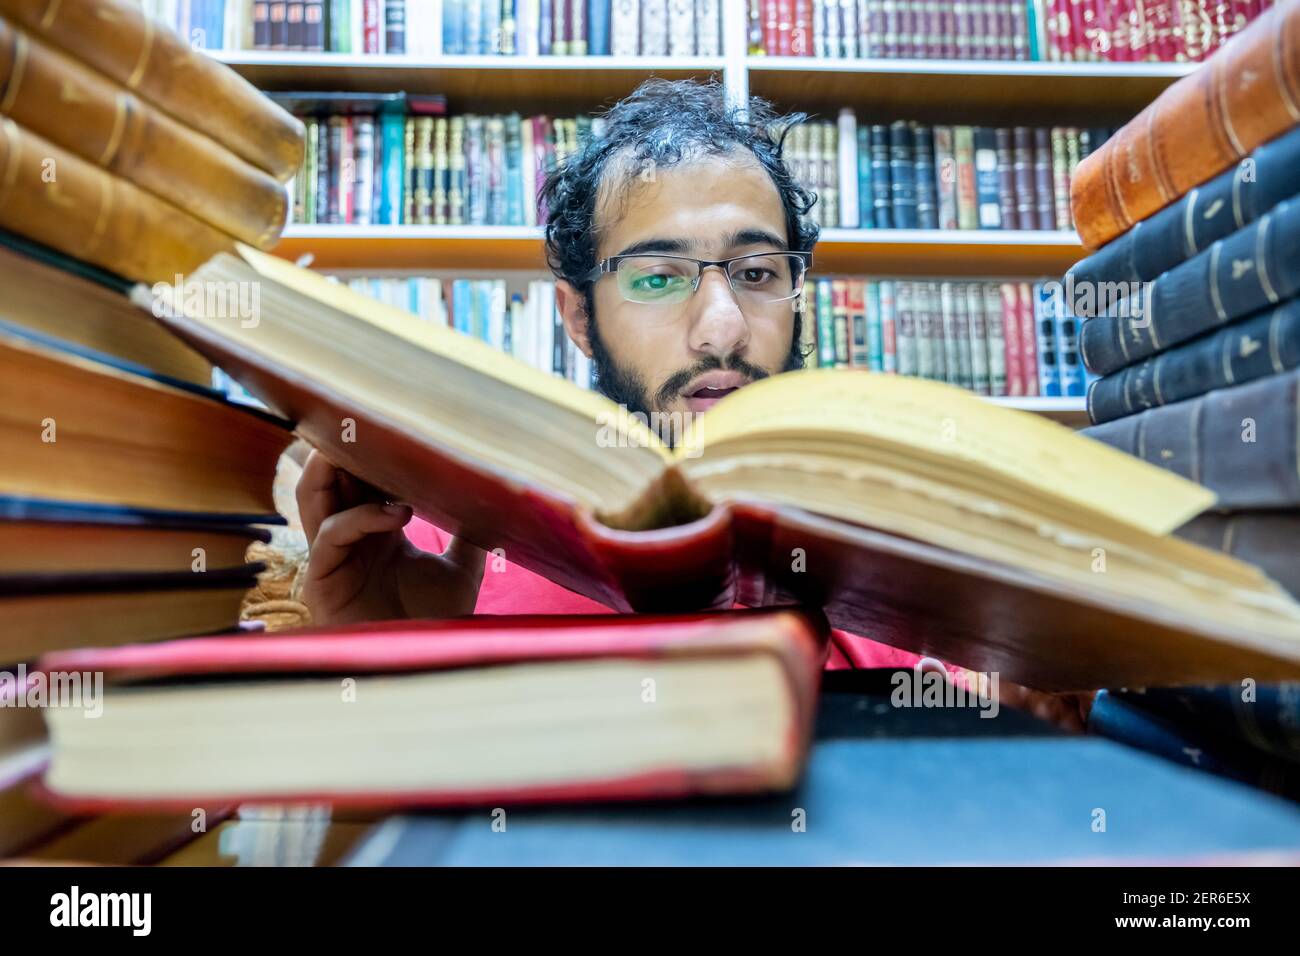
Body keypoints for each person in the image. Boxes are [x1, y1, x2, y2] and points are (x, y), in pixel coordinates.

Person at [294, 78, 1090, 729]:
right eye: (657, 276)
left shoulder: (919, 578)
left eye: (756, 274)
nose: (722, 329)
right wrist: (375, 685)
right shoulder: (429, 556)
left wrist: (1038, 735)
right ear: (578, 318)